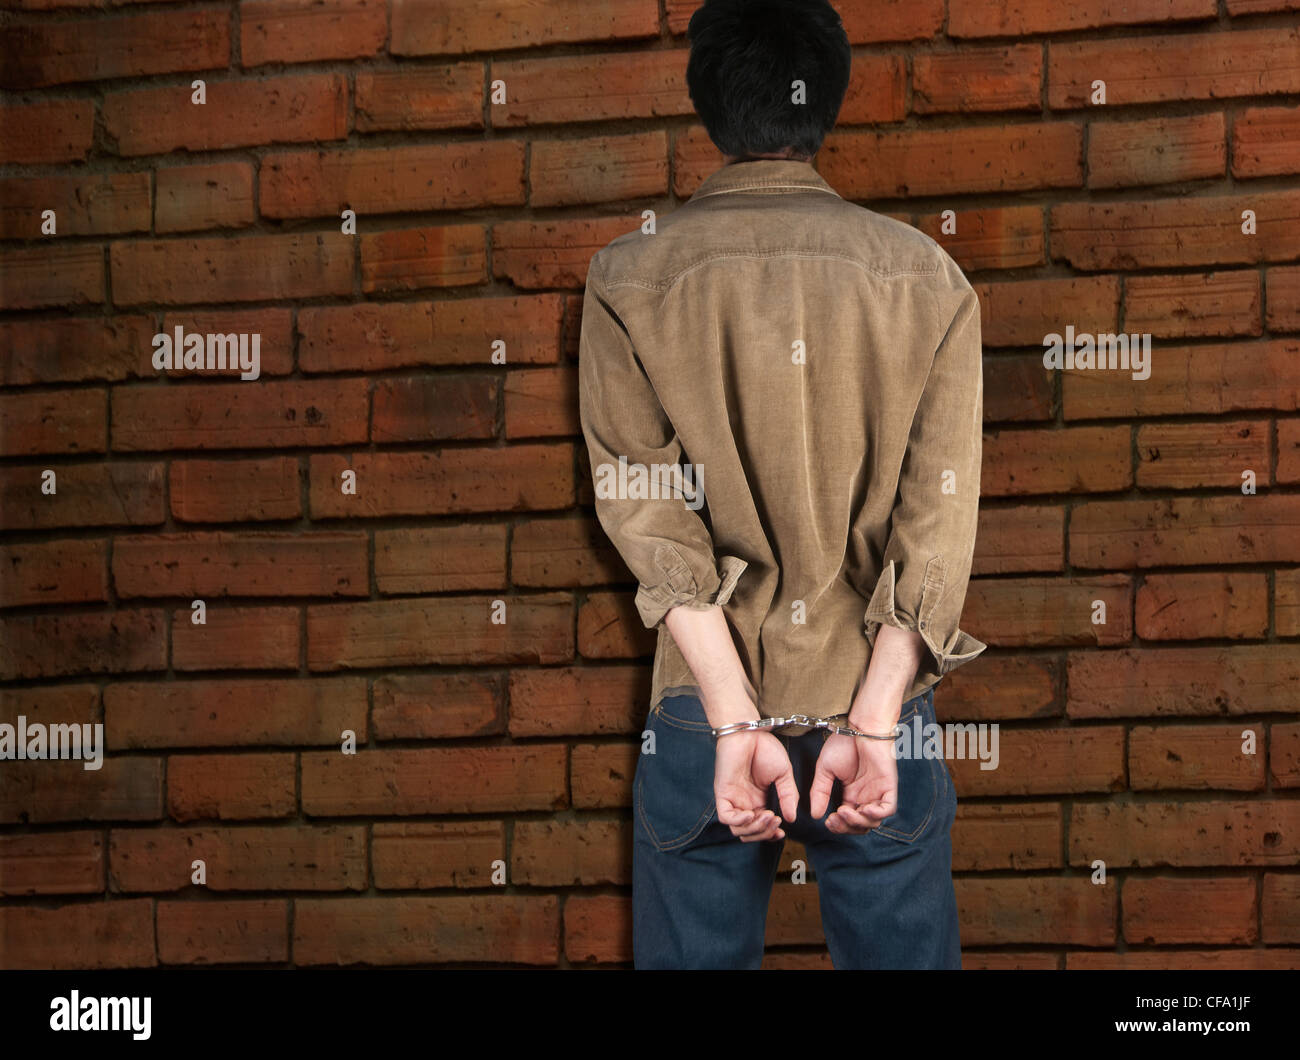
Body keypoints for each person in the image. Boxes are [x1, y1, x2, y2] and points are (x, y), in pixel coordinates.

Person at [577, 0, 987, 969]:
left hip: (701, 712)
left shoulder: (627, 281)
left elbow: (643, 514)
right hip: (872, 707)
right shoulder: (926, 280)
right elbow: (937, 526)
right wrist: (876, 722)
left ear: (707, 101)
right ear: (825, 101)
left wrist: (733, 720)